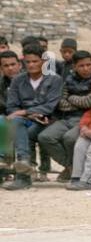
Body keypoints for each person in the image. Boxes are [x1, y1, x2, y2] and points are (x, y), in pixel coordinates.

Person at [2, 45, 63, 190]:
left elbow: (50, 106)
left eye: (35, 61)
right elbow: (11, 106)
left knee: (22, 127)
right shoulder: (18, 80)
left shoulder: (54, 80)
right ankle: (23, 164)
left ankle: (23, 175)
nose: (31, 65)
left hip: (48, 121)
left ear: (43, 62)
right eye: (28, 62)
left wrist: (24, 112)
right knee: (15, 122)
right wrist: (29, 113)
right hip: (26, 120)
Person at [37, 49, 91, 181]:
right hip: (67, 118)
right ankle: (71, 166)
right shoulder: (69, 79)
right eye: (81, 66)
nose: (86, 68)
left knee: (69, 138)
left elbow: (90, 102)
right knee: (45, 137)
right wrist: (78, 102)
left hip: (87, 119)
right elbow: (61, 102)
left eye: (88, 65)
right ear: (74, 67)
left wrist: (71, 98)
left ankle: (73, 170)